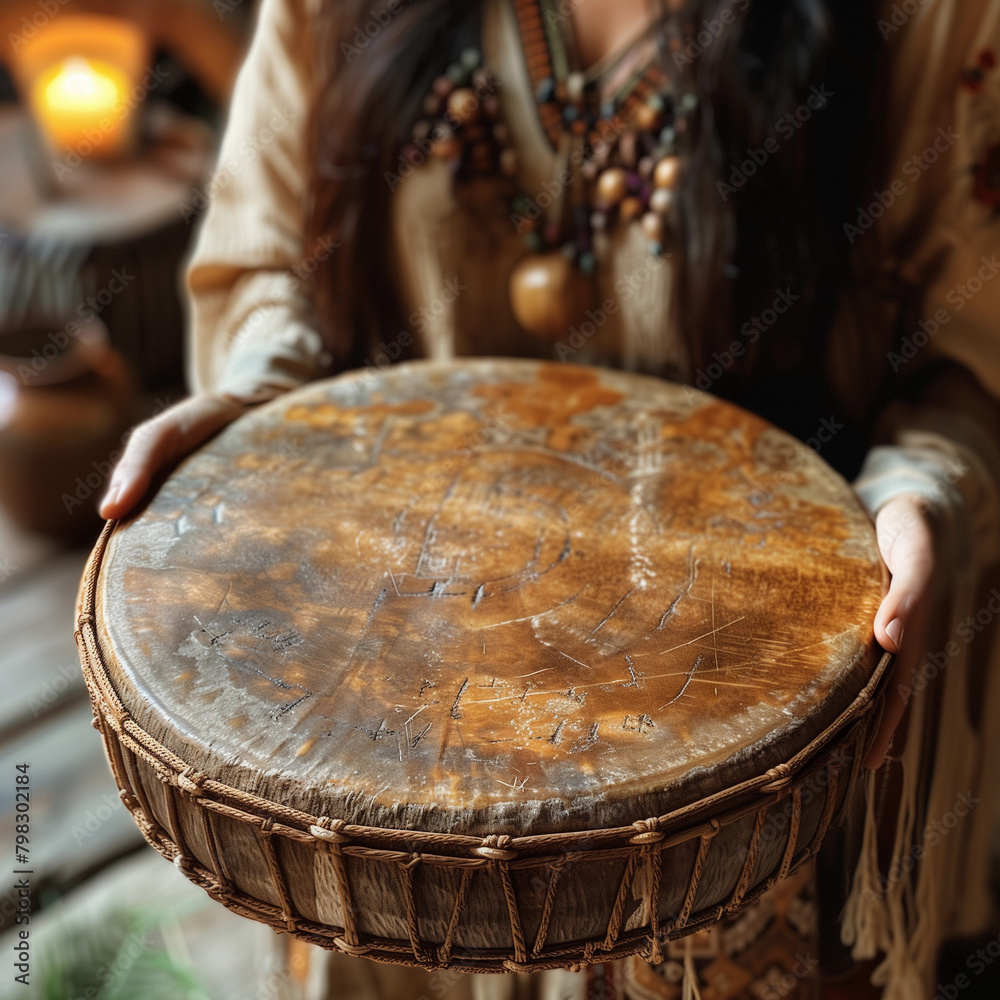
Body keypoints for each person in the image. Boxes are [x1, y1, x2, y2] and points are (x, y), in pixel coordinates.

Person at [98, 0, 1000, 996]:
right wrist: (266, 395)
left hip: (734, 776)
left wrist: (913, 489)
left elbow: (965, 353)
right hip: (401, 723)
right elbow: (273, 257)